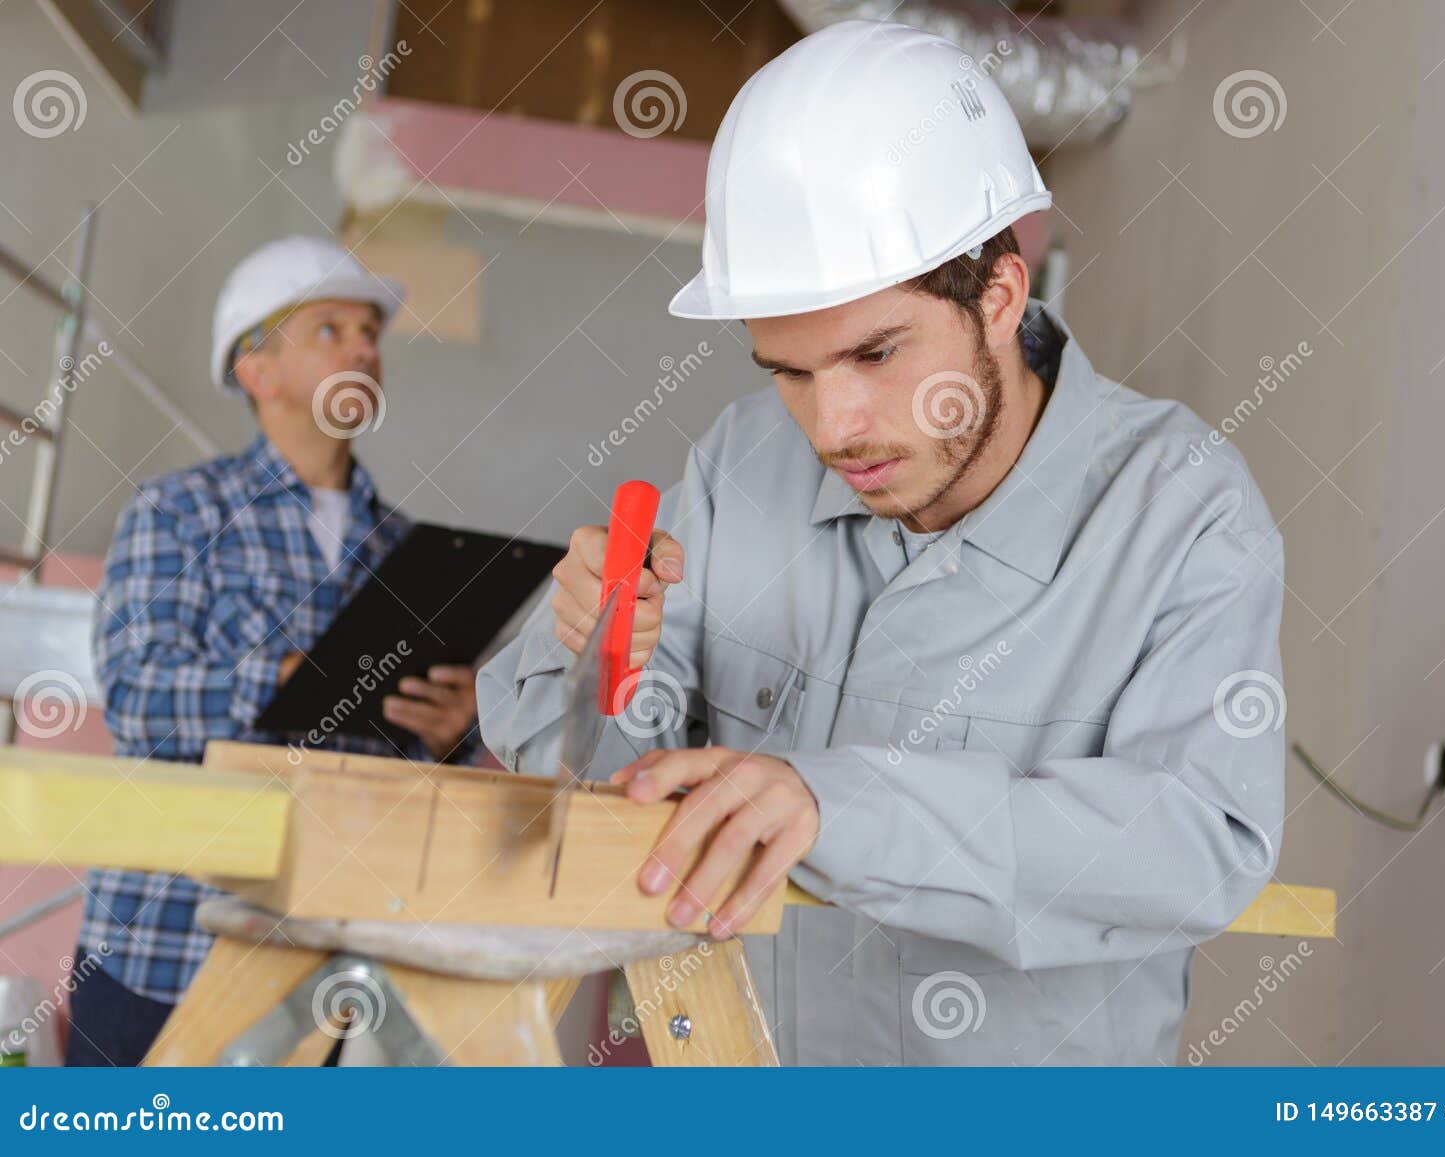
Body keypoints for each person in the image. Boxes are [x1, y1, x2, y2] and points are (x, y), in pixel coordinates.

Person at [478, 20, 1285, 1065]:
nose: (832, 426)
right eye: (790, 368)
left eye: (874, 352)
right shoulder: (743, 462)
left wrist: (837, 803)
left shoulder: (1180, 510)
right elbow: (607, 780)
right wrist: (589, 652)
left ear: (1000, 294)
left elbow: (1199, 841)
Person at [67, 236, 480, 1066]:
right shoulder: (178, 512)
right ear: (256, 370)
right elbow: (140, 697)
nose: (366, 346)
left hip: (328, 967)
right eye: (331, 329)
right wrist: (291, 677)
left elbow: (411, 768)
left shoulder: (406, 547)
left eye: (370, 331)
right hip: (163, 955)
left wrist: (455, 732)